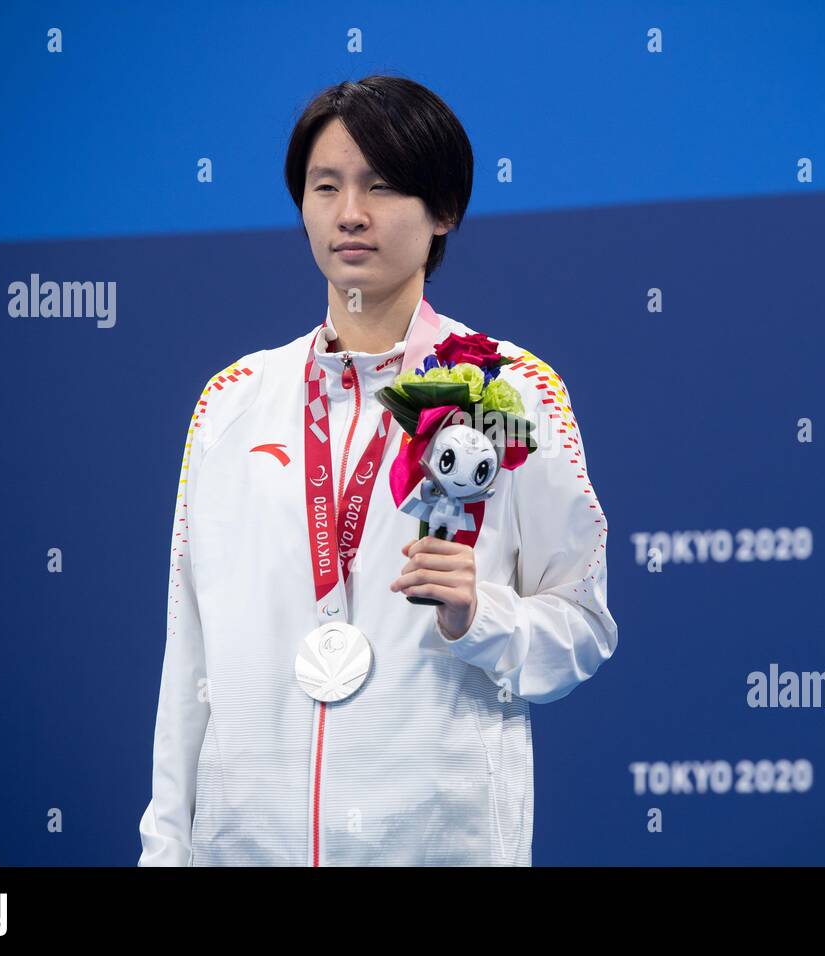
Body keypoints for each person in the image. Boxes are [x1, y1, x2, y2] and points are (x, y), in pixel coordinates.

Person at [138, 75, 617, 866]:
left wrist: (481, 619)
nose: (350, 213)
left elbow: (584, 625)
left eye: (383, 186)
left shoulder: (508, 389)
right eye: (326, 186)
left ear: (444, 211)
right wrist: (164, 851)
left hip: (438, 847)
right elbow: (188, 657)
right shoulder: (231, 402)